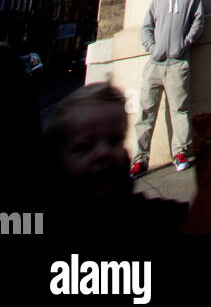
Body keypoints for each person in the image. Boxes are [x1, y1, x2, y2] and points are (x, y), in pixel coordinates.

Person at [42, 83, 187, 233]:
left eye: (114, 140)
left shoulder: (150, 215)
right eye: (85, 146)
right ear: (58, 161)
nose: (103, 152)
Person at [131, 0, 203, 176]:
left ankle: (180, 153)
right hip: (155, 64)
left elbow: (198, 21)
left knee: (180, 111)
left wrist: (186, 43)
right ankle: (140, 160)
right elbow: (146, 27)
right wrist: (152, 48)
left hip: (177, 64)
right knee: (146, 112)